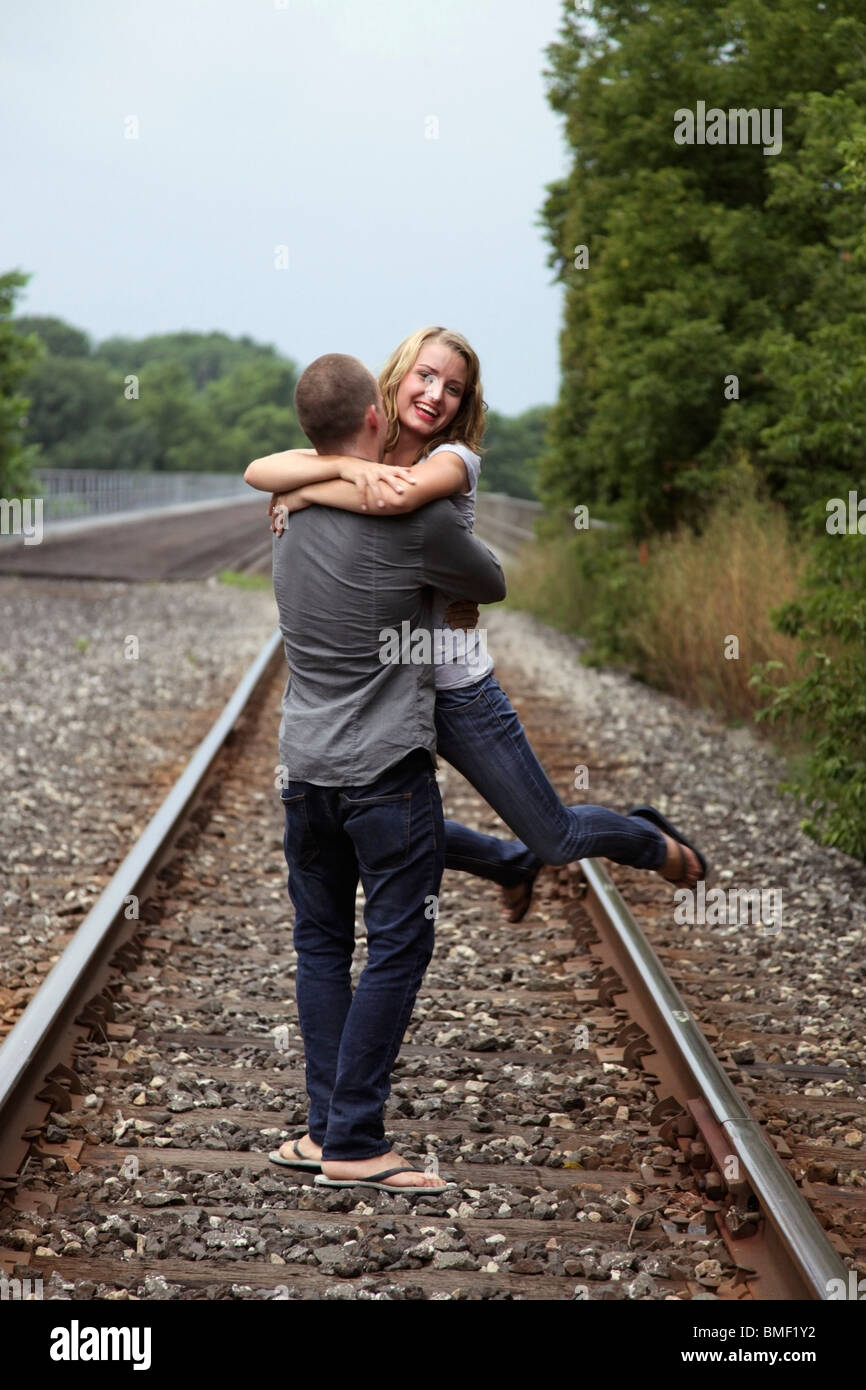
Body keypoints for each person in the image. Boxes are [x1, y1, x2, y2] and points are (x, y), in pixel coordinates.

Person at [245, 327, 708, 921]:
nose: (435, 394)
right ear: (397, 377)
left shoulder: (453, 460)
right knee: (384, 820)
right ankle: (505, 863)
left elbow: (397, 499)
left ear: (464, 403)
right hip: (385, 688)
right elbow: (258, 469)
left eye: (454, 388)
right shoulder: (361, 449)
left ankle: (648, 839)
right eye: (426, 376)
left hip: (454, 688)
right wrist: (339, 470)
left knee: (555, 837)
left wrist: (303, 494)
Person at [267, 352, 506, 1193]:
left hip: (305, 771)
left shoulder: (284, 508)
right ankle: (357, 1142)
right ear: (377, 413)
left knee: (322, 946)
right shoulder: (420, 522)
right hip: (385, 773)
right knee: (398, 948)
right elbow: (489, 581)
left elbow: (281, 473)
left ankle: (322, 1129)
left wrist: (312, 480)